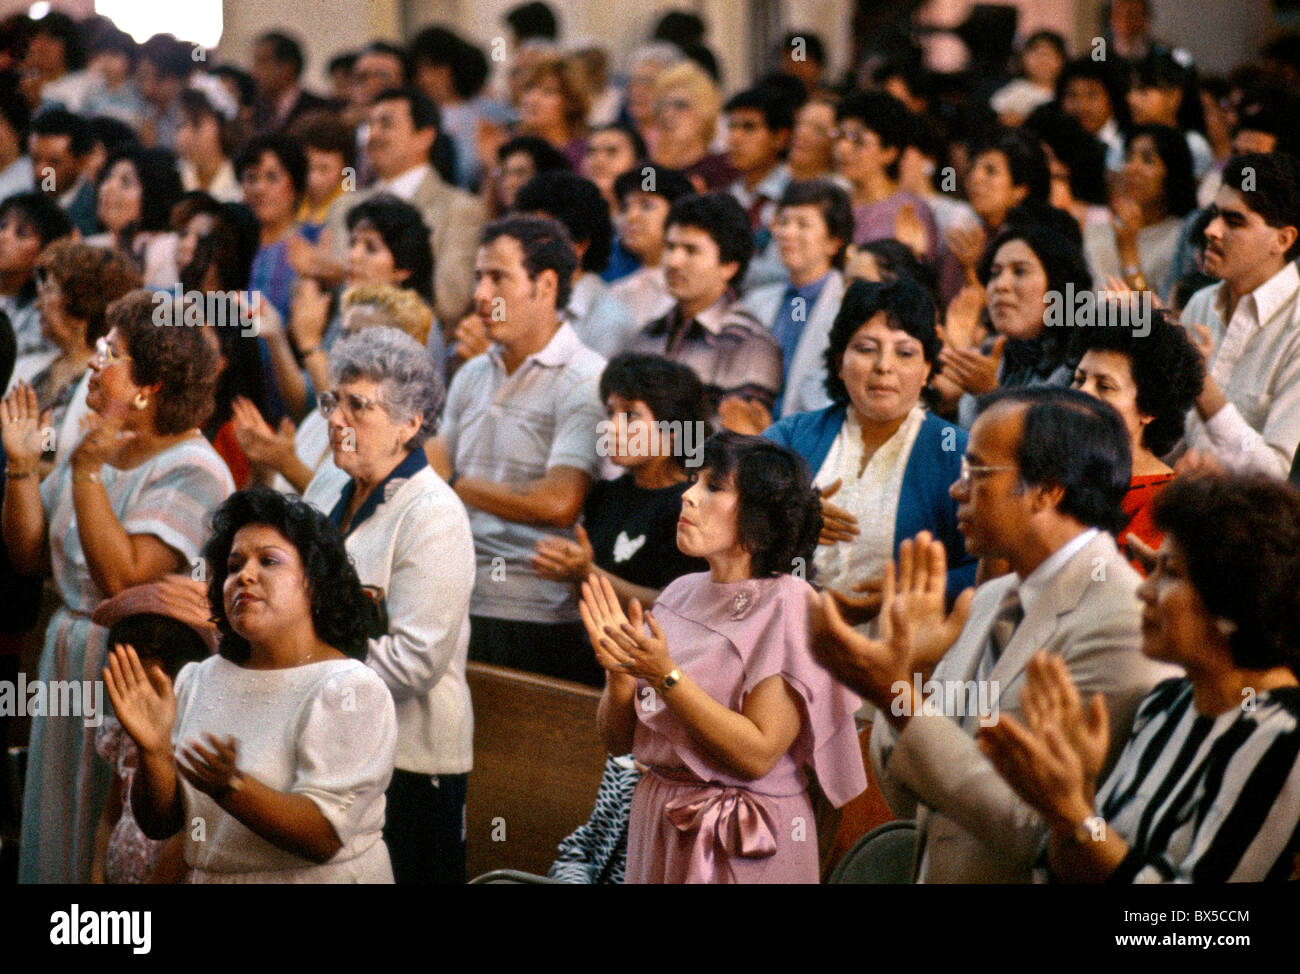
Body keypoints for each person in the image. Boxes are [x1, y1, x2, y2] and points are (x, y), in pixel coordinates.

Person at [809, 387, 1175, 882]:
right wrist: (910, 675)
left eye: (977, 473)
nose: (957, 490)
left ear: (1046, 489)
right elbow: (909, 802)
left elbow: (1037, 830)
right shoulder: (988, 598)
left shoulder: (1122, 621)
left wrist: (893, 695)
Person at [2, 289, 234, 884]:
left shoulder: (196, 469)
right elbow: (28, 555)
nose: (97, 362)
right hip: (67, 653)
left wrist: (83, 474)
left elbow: (124, 576)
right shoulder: (104, 444)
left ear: (150, 384)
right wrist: (23, 469)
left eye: (113, 352)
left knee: (100, 832)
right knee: (55, 816)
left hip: (129, 667)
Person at [981, 473, 1300, 883]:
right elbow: (1065, 864)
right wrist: (1074, 805)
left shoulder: (1284, 738)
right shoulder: (1168, 703)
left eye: (1169, 573)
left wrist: (1075, 814)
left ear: (1234, 597)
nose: (1143, 591)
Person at [580, 431, 866, 883]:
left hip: (745, 837)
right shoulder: (679, 591)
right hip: (659, 816)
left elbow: (757, 754)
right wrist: (618, 679)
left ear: (760, 514)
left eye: (713, 487)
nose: (688, 496)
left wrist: (665, 676)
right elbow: (619, 743)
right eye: (693, 481)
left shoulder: (790, 602)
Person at [104, 488, 398, 883]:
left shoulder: (350, 688)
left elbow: (322, 836)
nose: (244, 575)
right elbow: (161, 825)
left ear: (315, 582)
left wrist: (232, 786)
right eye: (233, 565)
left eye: (269, 561)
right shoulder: (200, 677)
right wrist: (154, 751)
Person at [300, 326, 475, 885]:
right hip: (329, 748)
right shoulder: (327, 485)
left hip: (410, 764)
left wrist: (296, 664)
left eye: (358, 407)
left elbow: (414, 662)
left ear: (410, 423)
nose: (335, 419)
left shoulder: (433, 514)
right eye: (333, 401)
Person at [428, 216, 606, 685]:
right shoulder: (470, 373)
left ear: (545, 285)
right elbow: (429, 471)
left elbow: (556, 502)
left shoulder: (586, 378)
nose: (481, 296)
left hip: (535, 612)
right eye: (478, 278)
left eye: (498, 278)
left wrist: (455, 484)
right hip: (456, 593)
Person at [765, 277, 974, 610]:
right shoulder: (790, 436)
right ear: (839, 363)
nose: (884, 366)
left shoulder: (957, 452)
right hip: (786, 639)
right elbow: (730, 511)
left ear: (926, 370)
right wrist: (790, 516)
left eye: (905, 353)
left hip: (908, 650)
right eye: (865, 349)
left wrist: (904, 594)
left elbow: (991, 568)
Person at [533, 352, 709, 610]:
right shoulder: (605, 495)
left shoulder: (690, 505)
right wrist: (569, 568)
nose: (611, 426)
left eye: (630, 414)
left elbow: (675, 608)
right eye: (610, 412)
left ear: (674, 429)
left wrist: (587, 572)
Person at [318, 87, 486, 328]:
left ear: (424, 136)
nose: (372, 135)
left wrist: (337, 274)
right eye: (369, 124)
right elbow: (317, 300)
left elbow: (449, 302)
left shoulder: (460, 209)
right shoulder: (344, 205)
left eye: (386, 124)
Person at [1179, 152, 1300, 478]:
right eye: (1215, 215)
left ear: (1283, 239)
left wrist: (1203, 385)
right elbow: (1178, 437)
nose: (1211, 230)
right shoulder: (1201, 304)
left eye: (1234, 221)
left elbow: (1274, 475)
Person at [90, 578, 217, 884]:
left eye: (137, 676)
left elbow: (188, 835)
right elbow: (111, 814)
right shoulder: (126, 733)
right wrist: (96, 874)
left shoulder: (198, 739)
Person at [1069, 308, 1204, 569]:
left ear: (1148, 409)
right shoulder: (1055, 476)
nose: (1082, 394)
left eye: (1104, 386)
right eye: (1079, 379)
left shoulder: (1167, 504)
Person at [628, 192, 782, 420]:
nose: (673, 261)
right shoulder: (649, 334)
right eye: (670, 247)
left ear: (729, 265)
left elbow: (733, 447)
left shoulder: (750, 344)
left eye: (691, 250)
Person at [26, 240, 142, 473]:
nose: (38, 304)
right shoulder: (31, 365)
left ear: (81, 302)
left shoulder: (107, 385)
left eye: (48, 290)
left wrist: (22, 468)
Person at [740, 178, 852, 418]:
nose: (787, 233)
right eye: (784, 222)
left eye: (803, 224)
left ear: (833, 242)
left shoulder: (849, 305)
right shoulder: (756, 301)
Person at [512, 171, 637, 358]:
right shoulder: (516, 302)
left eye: (538, 238)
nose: (524, 248)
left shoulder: (610, 321)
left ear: (578, 245)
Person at [1082, 124, 1197, 300]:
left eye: (1148, 161)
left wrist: (1128, 251)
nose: (1132, 168)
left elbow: (1157, 316)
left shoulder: (1180, 239)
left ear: (1173, 173)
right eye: (1128, 158)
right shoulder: (1094, 231)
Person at [833, 90, 938, 260]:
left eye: (858, 140)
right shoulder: (833, 202)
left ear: (889, 151)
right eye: (839, 136)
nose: (842, 148)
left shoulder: (910, 210)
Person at [0, 191, 73, 389]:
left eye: (21, 233)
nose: (4, 237)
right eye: (2, 226)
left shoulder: (42, 313)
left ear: (45, 251)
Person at [608, 163, 694, 330]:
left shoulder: (694, 289)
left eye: (646, 205)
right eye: (625, 207)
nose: (631, 217)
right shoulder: (617, 292)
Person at [85, 146, 183, 290]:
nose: (108, 188)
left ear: (153, 194)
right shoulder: (90, 247)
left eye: (126, 182)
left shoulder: (169, 249)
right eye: (107, 177)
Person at [649, 61, 732, 191]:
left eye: (680, 105)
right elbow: (643, 198)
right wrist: (658, 166)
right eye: (662, 106)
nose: (668, 114)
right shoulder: (648, 169)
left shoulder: (723, 168)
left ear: (705, 112)